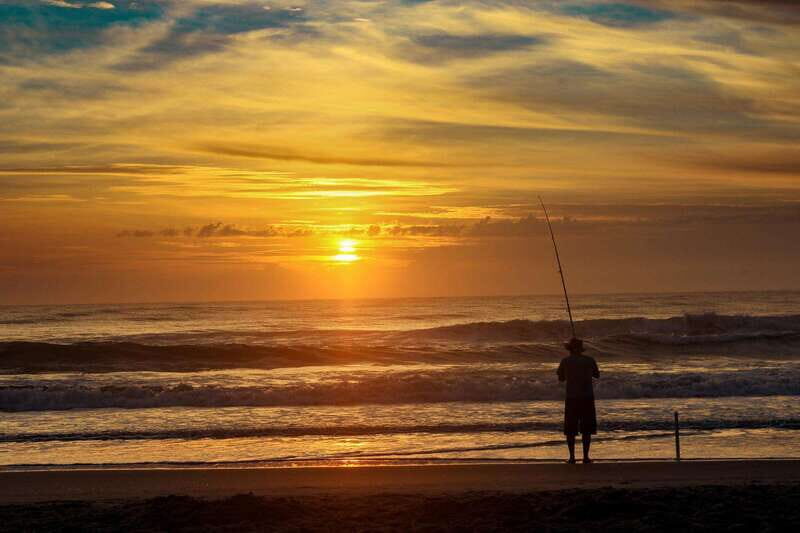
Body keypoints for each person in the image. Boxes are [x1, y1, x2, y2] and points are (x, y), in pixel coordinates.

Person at [557, 337, 599, 464]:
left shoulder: (565, 361)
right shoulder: (589, 360)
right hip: (587, 397)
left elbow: (561, 378)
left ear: (569, 349)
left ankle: (572, 457)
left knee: (570, 429)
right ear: (581, 349)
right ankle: (586, 457)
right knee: (587, 429)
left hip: (572, 398)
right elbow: (597, 375)